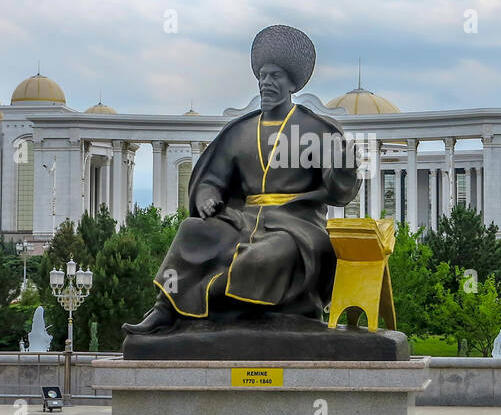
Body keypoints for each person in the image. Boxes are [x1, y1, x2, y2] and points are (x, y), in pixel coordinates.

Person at [123, 25, 360, 334]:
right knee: (192, 230)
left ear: (291, 84)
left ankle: (224, 310)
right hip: (242, 220)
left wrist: (344, 168)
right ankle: (165, 308)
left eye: (275, 76)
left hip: (296, 226)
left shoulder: (317, 129)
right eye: (262, 76)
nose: (266, 82)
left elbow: (337, 193)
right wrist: (207, 197)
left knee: (268, 254)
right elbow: (212, 180)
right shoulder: (239, 132)